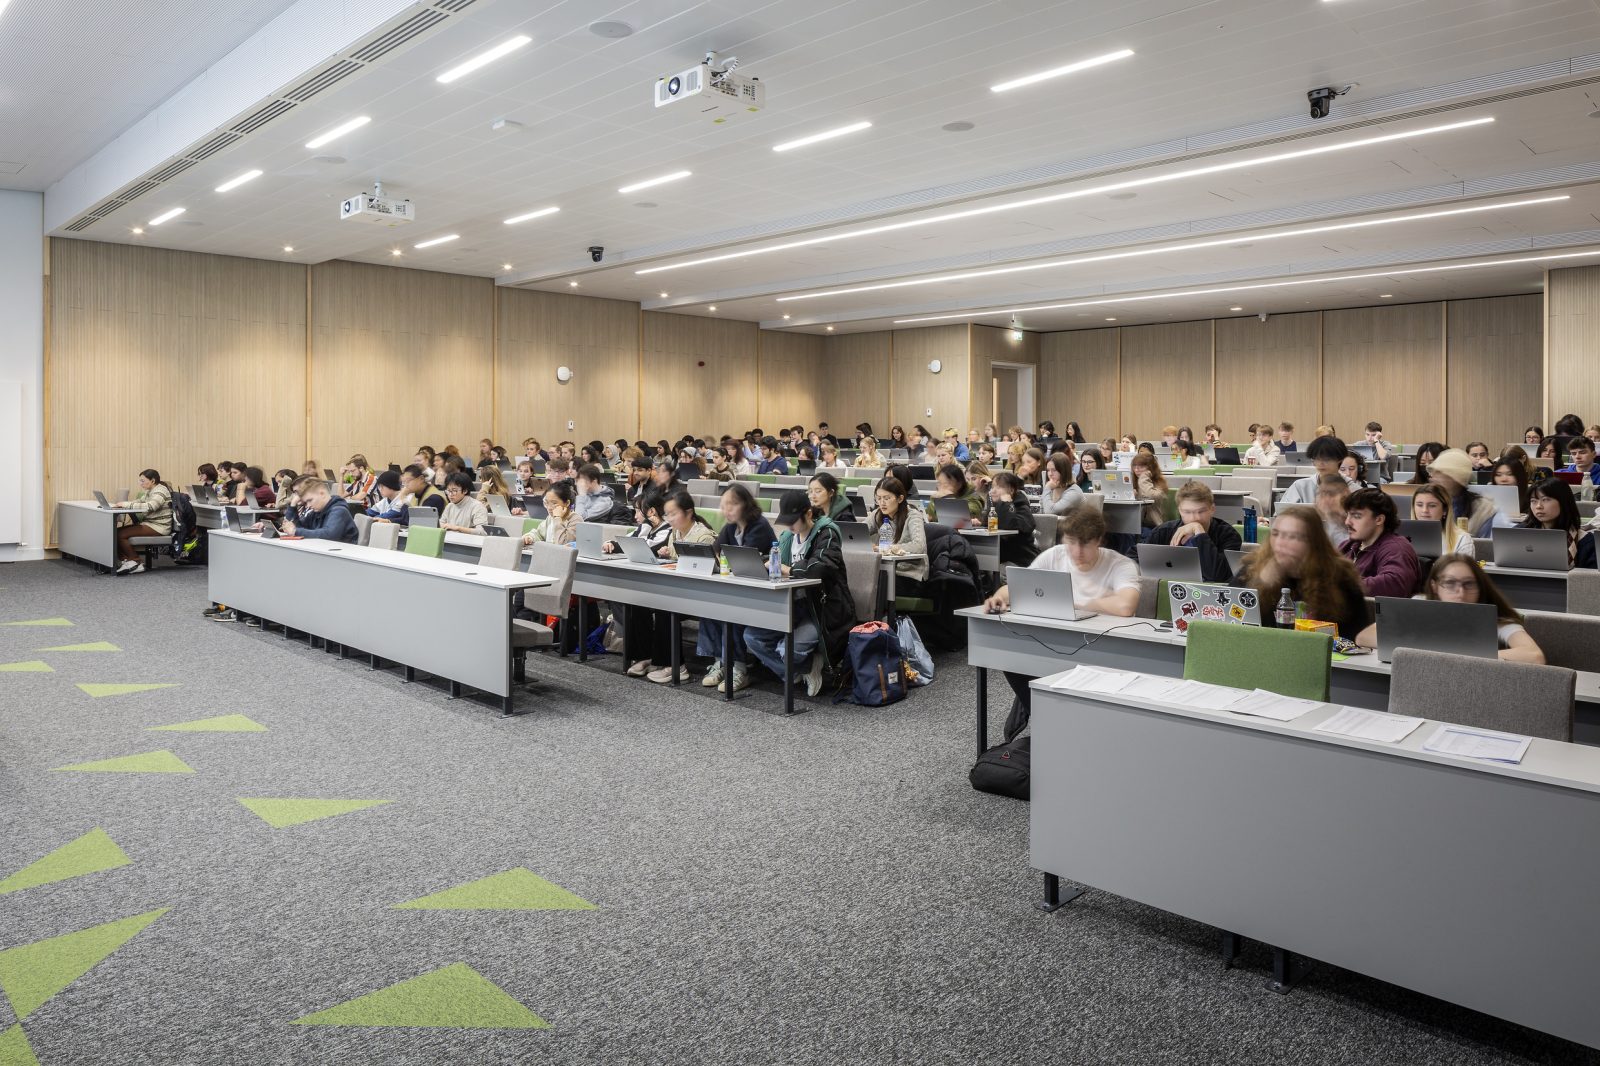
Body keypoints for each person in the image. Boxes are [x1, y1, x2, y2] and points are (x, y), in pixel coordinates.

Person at [983, 507, 1139, 726]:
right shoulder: (1055, 555)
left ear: (1099, 540)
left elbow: (1125, 606)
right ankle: (1047, 720)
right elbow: (1018, 586)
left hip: (1103, 646)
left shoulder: (1119, 564)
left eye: (1085, 544)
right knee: (1011, 657)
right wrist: (999, 597)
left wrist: (1074, 602)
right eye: (1071, 542)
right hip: (1057, 641)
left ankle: (1060, 722)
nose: (1076, 551)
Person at [742, 490, 855, 697]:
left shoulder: (827, 533)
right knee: (752, 637)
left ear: (808, 514)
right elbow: (774, 561)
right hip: (792, 606)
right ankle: (803, 670)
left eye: (793, 520)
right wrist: (763, 563)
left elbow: (821, 567)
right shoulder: (787, 537)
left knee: (786, 650)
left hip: (822, 610)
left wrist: (789, 569)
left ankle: (801, 665)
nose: (789, 525)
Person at [1355, 555, 1544, 664]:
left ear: (1480, 587)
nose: (1460, 593)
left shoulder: (1496, 619)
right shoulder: (1420, 605)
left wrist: (1458, 655)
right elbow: (1364, 637)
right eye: (1450, 583)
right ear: (1435, 586)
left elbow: (1535, 656)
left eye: (1469, 584)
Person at [1232, 505, 1370, 638]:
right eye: (1276, 534)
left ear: (1313, 542)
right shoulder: (1253, 569)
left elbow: (1356, 636)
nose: (1280, 542)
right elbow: (1229, 616)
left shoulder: (1339, 577)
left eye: (1293, 536)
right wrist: (1259, 583)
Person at [700, 484, 777, 692]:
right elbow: (714, 552)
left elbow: (743, 560)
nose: (727, 510)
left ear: (745, 504)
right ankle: (721, 662)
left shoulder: (759, 526)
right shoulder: (731, 527)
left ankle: (739, 669)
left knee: (731, 610)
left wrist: (723, 561)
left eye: (732, 504)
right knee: (708, 605)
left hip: (764, 593)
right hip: (741, 587)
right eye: (724, 505)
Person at [1142, 481, 1241, 582]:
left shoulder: (1229, 535)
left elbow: (1218, 576)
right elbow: (1139, 562)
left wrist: (1199, 532)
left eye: (1201, 511)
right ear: (1179, 511)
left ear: (1212, 509)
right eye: (1187, 512)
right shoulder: (1162, 532)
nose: (1194, 518)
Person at [1339, 488, 1423, 598]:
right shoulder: (1348, 545)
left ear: (1379, 520)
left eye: (1357, 516)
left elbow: (1394, 584)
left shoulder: (1396, 548)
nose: (1347, 522)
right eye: (1348, 515)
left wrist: (1340, 584)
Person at [867, 476, 929, 598]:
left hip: (909, 576)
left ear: (900, 498)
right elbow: (859, 532)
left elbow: (919, 545)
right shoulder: (878, 514)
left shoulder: (913, 516)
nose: (882, 503)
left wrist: (887, 549)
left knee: (873, 585)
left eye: (887, 498)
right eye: (878, 498)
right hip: (884, 570)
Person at [1518, 478, 1597, 569]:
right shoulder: (1519, 533)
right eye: (1533, 501)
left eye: (1545, 500)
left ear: (1563, 502)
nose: (1538, 506)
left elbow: (1590, 576)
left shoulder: (1586, 541)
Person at [1427, 448, 1504, 536]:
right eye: (1434, 473)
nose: (1433, 477)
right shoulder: (1426, 502)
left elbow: (1484, 543)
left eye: (1439, 473)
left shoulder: (1482, 509)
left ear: (1454, 477)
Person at [113, 469, 173, 574]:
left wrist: (127, 505)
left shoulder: (161, 491)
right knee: (117, 532)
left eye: (142, 481)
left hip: (159, 526)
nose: (140, 483)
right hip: (150, 524)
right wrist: (124, 504)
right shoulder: (150, 491)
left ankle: (136, 562)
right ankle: (127, 561)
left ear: (152, 481)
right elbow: (140, 501)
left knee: (120, 534)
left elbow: (150, 506)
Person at [988, 471, 1039, 571]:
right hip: (999, 556)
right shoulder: (994, 506)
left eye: (998, 487)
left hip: (1020, 559)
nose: (993, 491)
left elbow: (1009, 526)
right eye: (992, 487)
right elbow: (988, 525)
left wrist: (1007, 504)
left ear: (1011, 490)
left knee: (992, 571)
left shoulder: (1022, 507)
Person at [1279, 435, 1349, 507]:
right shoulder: (1300, 486)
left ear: (1339, 459)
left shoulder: (1351, 488)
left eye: (1326, 459)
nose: (1321, 463)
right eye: (1317, 458)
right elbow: (1282, 511)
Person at [282, 477, 357, 543]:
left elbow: (329, 535)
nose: (308, 505)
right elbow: (299, 527)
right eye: (306, 502)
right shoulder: (317, 512)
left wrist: (295, 531)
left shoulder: (339, 511)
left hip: (341, 553)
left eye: (310, 500)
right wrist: (292, 505)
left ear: (322, 494)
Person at [1411, 483, 1474, 557]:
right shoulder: (1403, 537)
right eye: (1419, 505)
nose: (1424, 510)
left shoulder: (1462, 540)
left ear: (1445, 510)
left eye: (1432, 505)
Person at [373, 465, 446, 527]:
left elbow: (417, 521)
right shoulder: (415, 495)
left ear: (421, 479)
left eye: (408, 481)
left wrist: (403, 497)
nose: (405, 485)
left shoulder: (434, 497)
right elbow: (405, 518)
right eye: (404, 482)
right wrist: (388, 521)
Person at [524, 482, 578, 547]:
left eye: (554, 503)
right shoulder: (550, 518)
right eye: (547, 503)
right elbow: (539, 534)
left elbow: (562, 543)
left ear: (567, 503)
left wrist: (557, 518)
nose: (549, 508)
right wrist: (530, 537)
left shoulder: (575, 520)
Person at [1129, 451, 1168, 530]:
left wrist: (1143, 478)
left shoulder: (1159, 485)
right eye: (1134, 466)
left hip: (1153, 526)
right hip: (1135, 525)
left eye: (1141, 466)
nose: (1136, 470)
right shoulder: (1133, 482)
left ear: (1151, 468)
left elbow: (1151, 496)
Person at [1313, 473, 1349, 547]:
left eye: (1331, 494)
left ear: (1345, 494)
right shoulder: (1315, 526)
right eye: (1321, 494)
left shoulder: (1354, 525)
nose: (1325, 500)